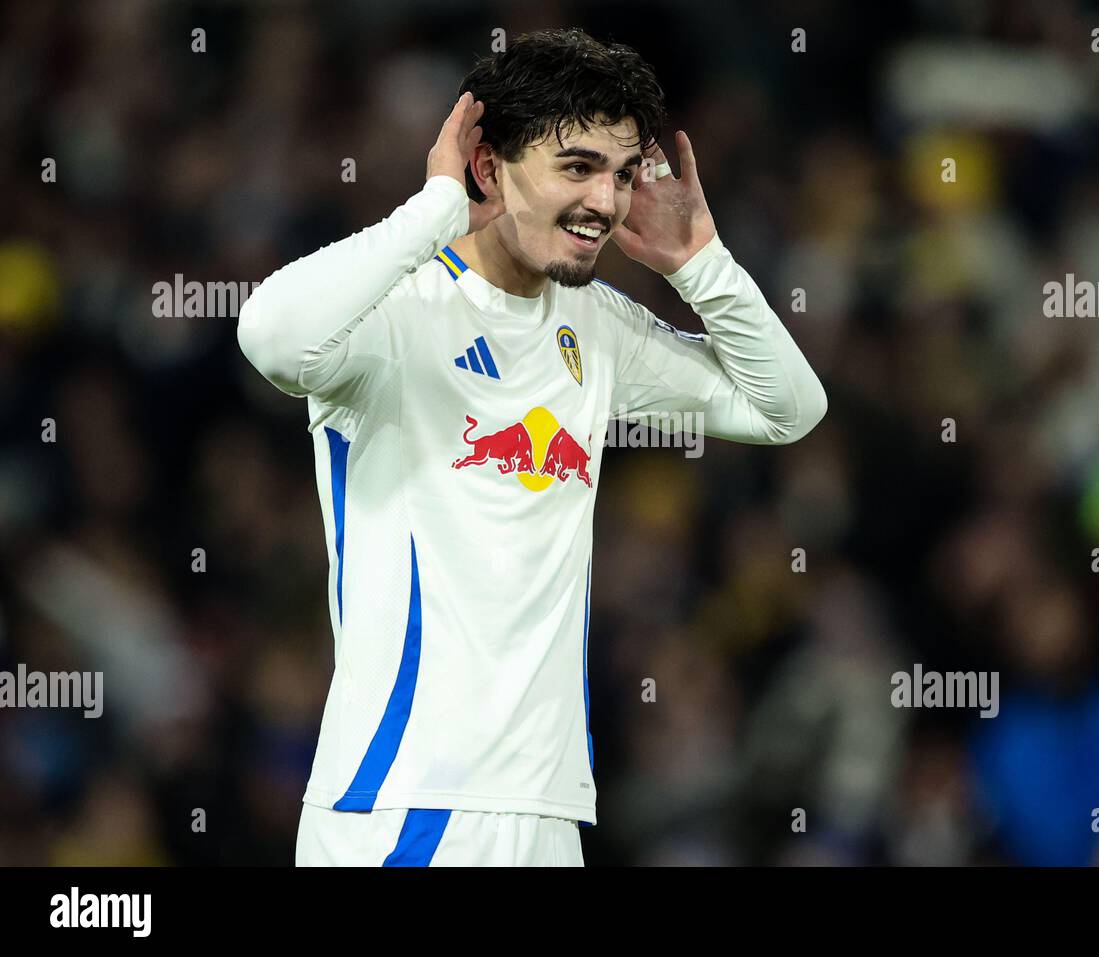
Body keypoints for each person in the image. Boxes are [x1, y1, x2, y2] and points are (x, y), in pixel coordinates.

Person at [236, 27, 827, 866]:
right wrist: (434, 210)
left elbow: (788, 407)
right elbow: (268, 333)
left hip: (548, 809)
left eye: (622, 174)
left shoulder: (597, 327)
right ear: (488, 166)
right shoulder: (396, 313)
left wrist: (700, 263)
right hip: (404, 800)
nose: (606, 199)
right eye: (577, 166)